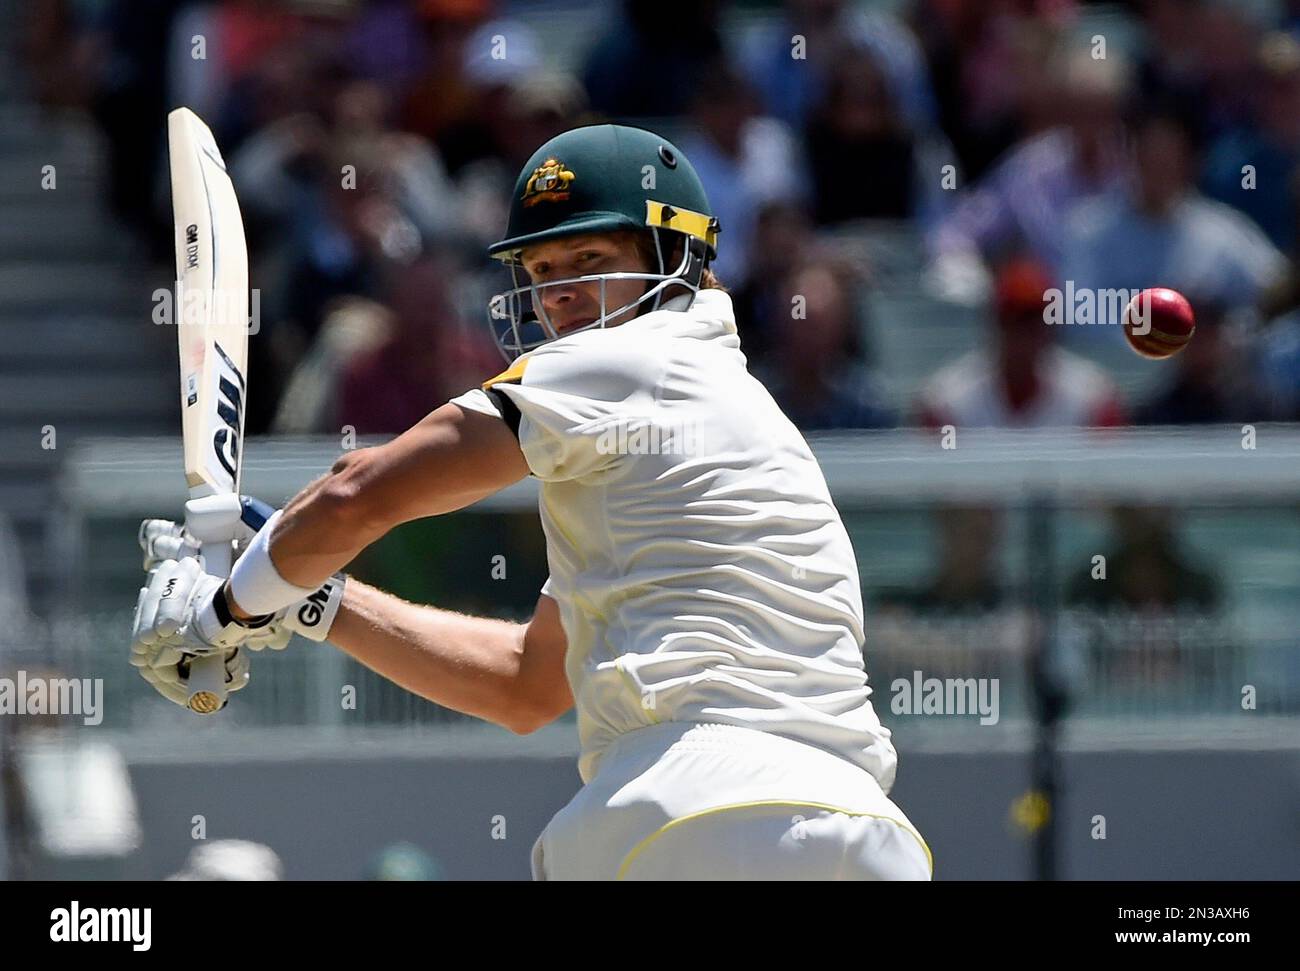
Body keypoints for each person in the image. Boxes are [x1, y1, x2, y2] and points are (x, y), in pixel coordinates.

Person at [129, 124, 930, 881]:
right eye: (543, 272)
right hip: (862, 831)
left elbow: (357, 494)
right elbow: (525, 684)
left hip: (692, 807)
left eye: (588, 258)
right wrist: (314, 602)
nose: (561, 295)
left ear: (676, 257)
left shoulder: (631, 360)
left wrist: (223, 609)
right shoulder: (717, 428)